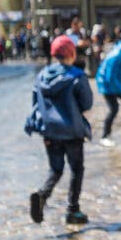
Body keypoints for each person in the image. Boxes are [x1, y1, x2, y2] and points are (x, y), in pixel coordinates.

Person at [25, 35, 93, 225]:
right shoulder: (77, 76)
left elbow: (35, 104)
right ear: (71, 53)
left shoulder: (42, 76)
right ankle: (73, 210)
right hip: (72, 131)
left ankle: (42, 195)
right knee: (76, 169)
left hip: (50, 131)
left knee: (55, 170)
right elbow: (87, 103)